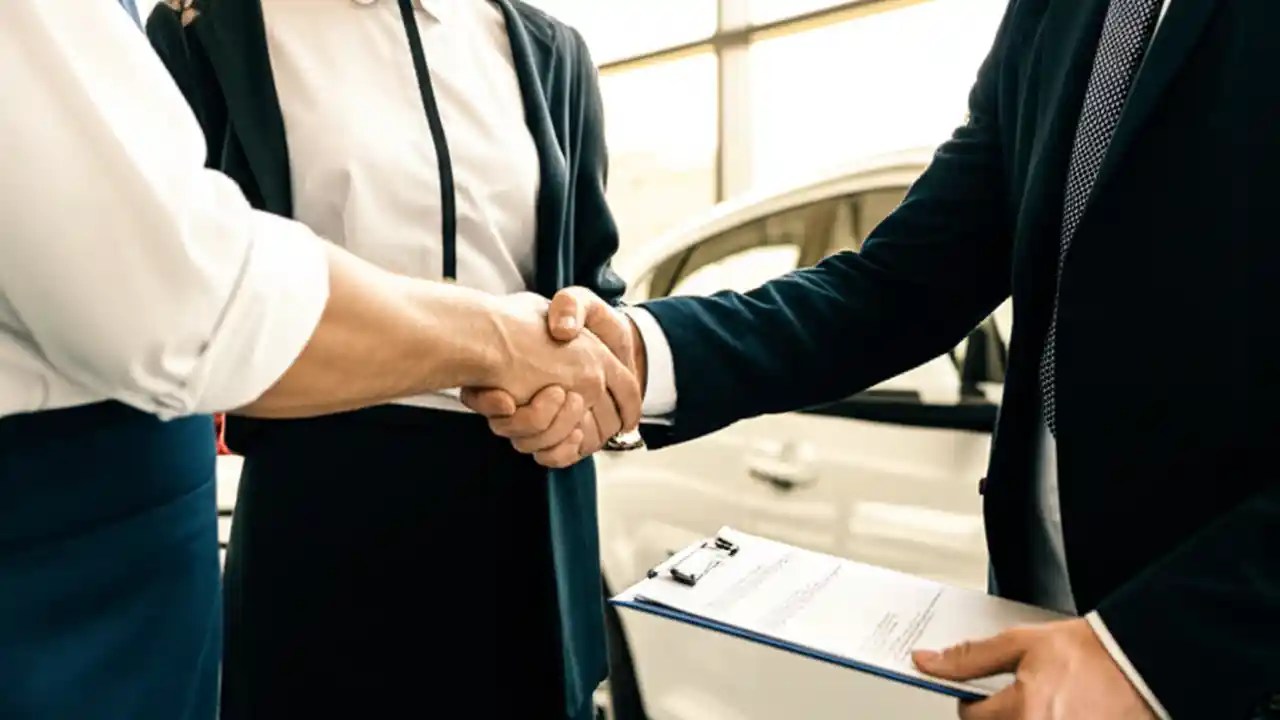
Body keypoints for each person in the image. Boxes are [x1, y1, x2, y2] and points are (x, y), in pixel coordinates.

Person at [467, 0, 1280, 718]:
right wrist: (641, 354)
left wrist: (1154, 657)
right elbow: (904, 283)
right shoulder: (1057, 14)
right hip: (1035, 644)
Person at [0, 2, 638, 719]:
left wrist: (577, 386)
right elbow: (180, 286)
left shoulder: (551, 49)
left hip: (529, 514)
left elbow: (589, 279)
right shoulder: (211, 29)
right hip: (322, 513)